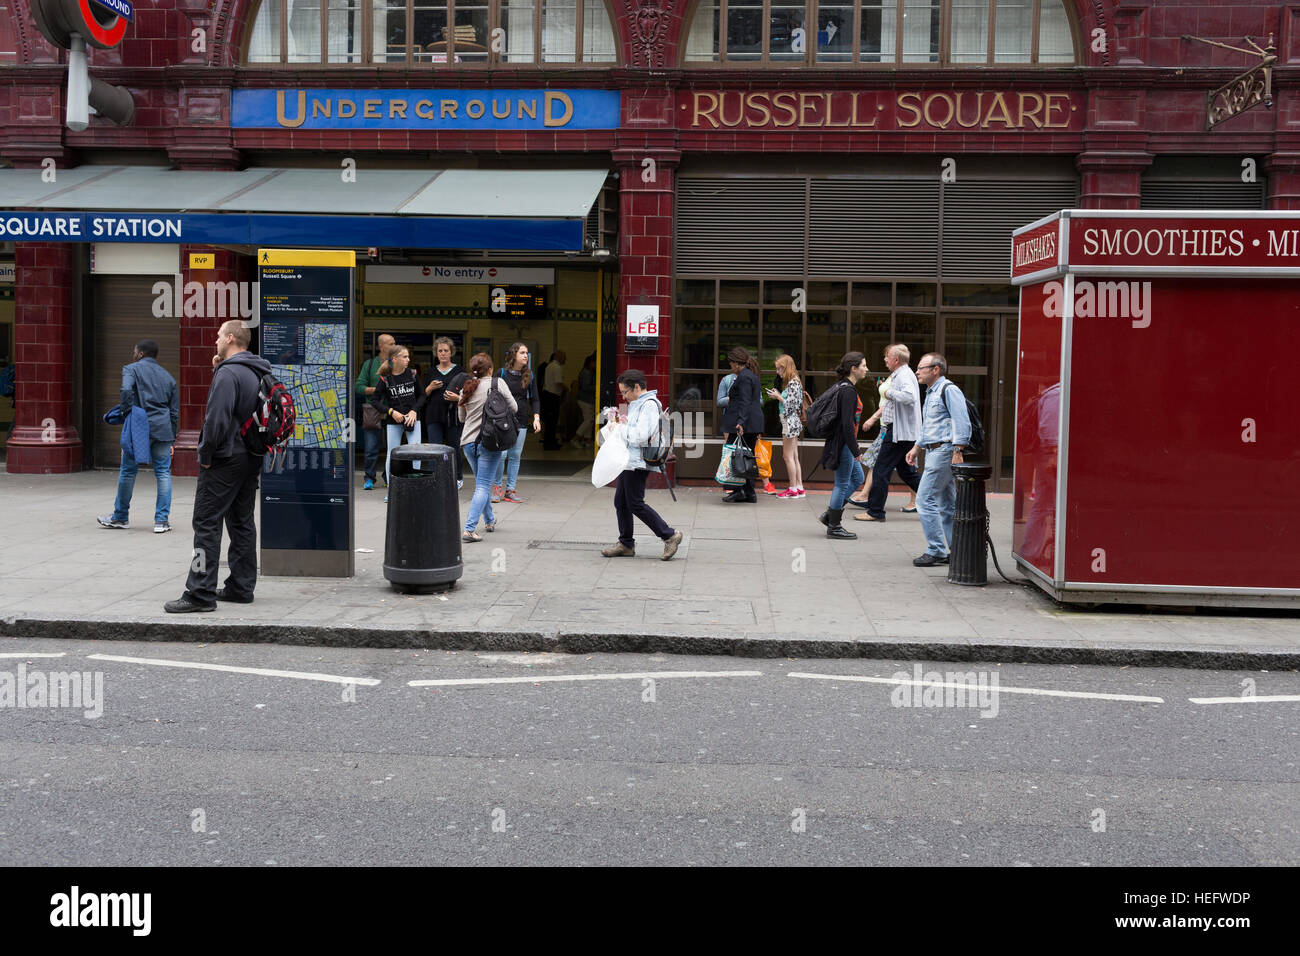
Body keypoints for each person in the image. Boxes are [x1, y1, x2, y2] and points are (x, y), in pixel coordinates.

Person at [164, 320, 271, 612]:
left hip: (225, 457)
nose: (215, 340)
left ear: (231, 338)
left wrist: (205, 454)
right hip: (250, 456)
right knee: (241, 522)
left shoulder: (229, 374)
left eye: (219, 335)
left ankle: (199, 592)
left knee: (205, 522)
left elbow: (218, 419)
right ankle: (241, 586)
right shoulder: (255, 370)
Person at [97, 339, 180, 533]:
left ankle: (120, 517)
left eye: (135, 351)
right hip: (163, 428)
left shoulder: (131, 369)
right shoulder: (168, 377)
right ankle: (161, 521)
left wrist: (127, 414)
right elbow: (174, 411)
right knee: (163, 472)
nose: (133, 354)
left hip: (139, 427)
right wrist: (172, 436)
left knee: (128, 471)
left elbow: (126, 390)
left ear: (141, 353)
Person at [600, 369, 683, 560]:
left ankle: (669, 535)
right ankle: (626, 544)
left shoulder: (649, 405)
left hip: (637, 461)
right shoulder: (640, 404)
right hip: (630, 459)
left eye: (625, 392)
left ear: (636, 387)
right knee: (621, 501)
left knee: (634, 503)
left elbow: (640, 436)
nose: (624, 396)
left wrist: (619, 428)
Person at [905, 352, 972, 567]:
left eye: (921, 368)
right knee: (946, 503)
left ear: (936, 369)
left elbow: (962, 421)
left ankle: (936, 550)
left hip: (944, 451)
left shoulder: (948, 390)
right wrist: (917, 447)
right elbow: (930, 426)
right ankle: (956, 548)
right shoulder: (932, 391)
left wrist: (958, 449)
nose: (917, 372)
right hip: (935, 450)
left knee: (924, 500)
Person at [854, 343, 922, 523]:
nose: (884, 359)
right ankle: (937, 503)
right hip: (902, 431)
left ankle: (875, 511)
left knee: (881, 470)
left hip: (899, 432)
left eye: (887, 356)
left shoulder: (904, 375)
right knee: (907, 472)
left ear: (896, 359)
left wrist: (890, 392)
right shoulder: (901, 373)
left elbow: (909, 396)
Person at [459, 352, 517, 542]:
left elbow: (461, 418)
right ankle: (469, 529)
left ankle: (490, 520)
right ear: (490, 369)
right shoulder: (497, 383)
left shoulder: (466, 388)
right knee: (483, 486)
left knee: (480, 485)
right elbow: (514, 407)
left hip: (468, 442)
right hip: (490, 442)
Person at [817, 352, 870, 540]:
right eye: (863, 365)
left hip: (843, 442)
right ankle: (834, 526)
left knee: (858, 477)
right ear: (853, 368)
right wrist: (856, 450)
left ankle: (831, 514)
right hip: (844, 443)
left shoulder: (843, 386)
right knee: (842, 483)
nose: (866, 369)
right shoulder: (848, 390)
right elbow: (847, 424)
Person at [371, 346, 427, 503]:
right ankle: (392, 490)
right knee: (392, 454)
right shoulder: (385, 378)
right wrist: (391, 412)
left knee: (416, 452)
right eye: (405, 357)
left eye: (408, 357)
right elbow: (374, 400)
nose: (408, 360)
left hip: (413, 419)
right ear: (394, 359)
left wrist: (414, 411)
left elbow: (422, 395)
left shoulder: (413, 374)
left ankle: (416, 488)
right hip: (394, 420)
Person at [490, 341, 542, 503]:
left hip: (520, 420)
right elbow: (492, 395)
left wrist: (536, 418)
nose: (526, 356)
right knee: (501, 454)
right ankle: (497, 487)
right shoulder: (502, 374)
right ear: (514, 355)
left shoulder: (530, 375)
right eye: (522, 353)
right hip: (502, 420)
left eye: (527, 353)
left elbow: (535, 399)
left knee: (515, 455)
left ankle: (510, 490)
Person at [720, 347, 764, 503]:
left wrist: (740, 423)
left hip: (745, 424)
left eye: (731, 363)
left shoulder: (744, 378)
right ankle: (749, 492)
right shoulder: (751, 376)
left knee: (738, 457)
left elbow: (745, 401)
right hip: (751, 423)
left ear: (737, 363)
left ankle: (740, 491)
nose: (730, 366)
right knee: (746, 457)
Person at [421, 336, 465, 489]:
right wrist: (430, 388)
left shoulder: (460, 371)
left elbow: (468, 395)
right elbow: (422, 395)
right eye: (440, 351)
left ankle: (457, 477)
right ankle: (435, 478)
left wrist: (457, 397)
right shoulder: (431, 372)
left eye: (446, 350)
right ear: (436, 353)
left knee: (453, 447)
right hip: (434, 415)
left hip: (453, 416)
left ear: (451, 352)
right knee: (435, 449)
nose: (443, 353)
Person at [354, 333, 395, 491]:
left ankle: (388, 477)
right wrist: (375, 390)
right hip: (373, 412)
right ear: (381, 346)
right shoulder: (369, 365)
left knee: (393, 448)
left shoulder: (396, 363)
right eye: (391, 344)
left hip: (393, 412)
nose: (394, 346)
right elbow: (358, 386)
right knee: (371, 448)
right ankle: (369, 478)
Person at [765, 354, 805, 499]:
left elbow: (790, 407)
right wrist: (779, 395)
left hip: (789, 421)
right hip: (792, 422)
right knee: (793, 456)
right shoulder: (795, 382)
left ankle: (793, 488)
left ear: (785, 367)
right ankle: (799, 487)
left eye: (779, 368)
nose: (777, 372)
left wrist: (778, 397)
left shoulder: (793, 383)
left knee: (787, 456)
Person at [541, 349, 567, 449]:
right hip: (552, 396)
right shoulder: (557, 367)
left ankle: (548, 441)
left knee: (549, 421)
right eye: (564, 357)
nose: (565, 359)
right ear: (559, 357)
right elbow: (558, 382)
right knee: (552, 421)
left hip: (547, 395)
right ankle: (550, 443)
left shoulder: (549, 366)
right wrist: (567, 388)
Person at [575, 353, 597, 447]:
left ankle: (587, 440)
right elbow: (586, 387)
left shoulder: (587, 372)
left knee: (589, 420)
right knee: (589, 420)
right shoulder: (587, 373)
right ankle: (576, 438)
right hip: (585, 400)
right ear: (590, 363)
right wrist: (597, 386)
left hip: (586, 399)